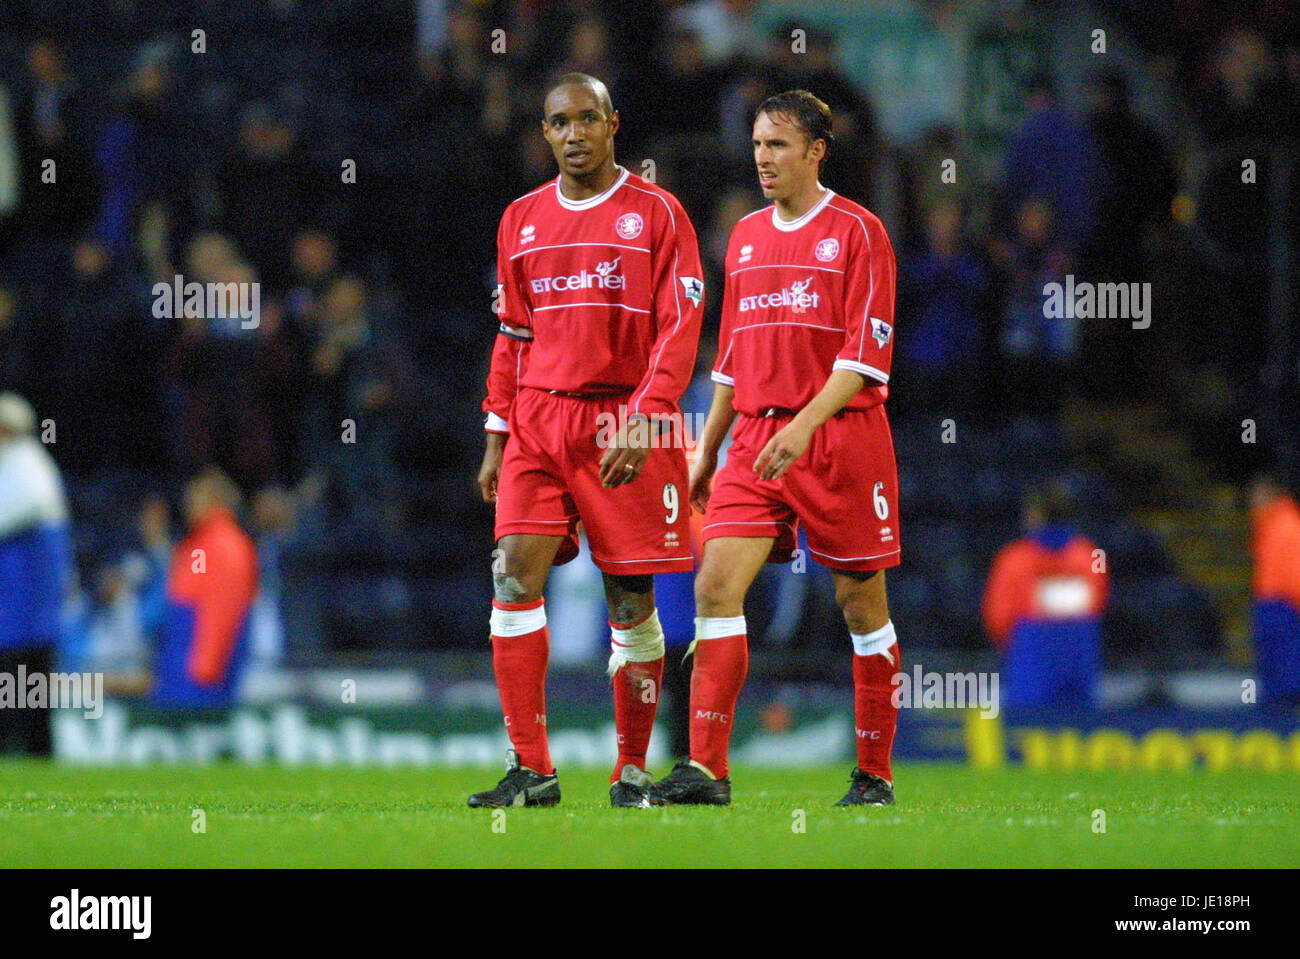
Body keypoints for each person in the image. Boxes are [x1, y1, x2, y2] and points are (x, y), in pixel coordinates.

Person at [647, 90, 903, 807]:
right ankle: (706, 769)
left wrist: (806, 425)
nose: (763, 157)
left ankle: (874, 772)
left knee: (860, 605)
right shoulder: (747, 236)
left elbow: (866, 358)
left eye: (779, 145)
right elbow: (730, 358)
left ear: (816, 151)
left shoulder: (859, 232)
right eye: (758, 144)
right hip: (757, 438)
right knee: (714, 587)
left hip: (839, 436)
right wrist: (708, 450)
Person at [473, 74, 704, 808]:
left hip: (623, 418)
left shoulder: (659, 213)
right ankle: (531, 767)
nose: (573, 134)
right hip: (540, 419)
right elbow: (513, 334)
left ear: (613, 124)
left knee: (631, 597)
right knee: (512, 574)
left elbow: (680, 327)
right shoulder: (520, 219)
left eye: (586, 119)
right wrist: (495, 432)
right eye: (558, 123)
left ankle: (631, 768)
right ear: (544, 134)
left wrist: (648, 412)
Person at [982, 481, 1109, 710]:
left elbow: (998, 619)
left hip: (1030, 668)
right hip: (1080, 662)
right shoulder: (1091, 555)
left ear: (1035, 515)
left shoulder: (1012, 559)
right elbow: (1098, 604)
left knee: (1029, 738)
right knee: (1077, 736)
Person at [148, 467, 258, 709]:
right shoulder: (201, 544)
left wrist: (206, 668)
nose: (187, 504)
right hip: (179, 662)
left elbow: (222, 609)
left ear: (213, 500)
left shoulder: (228, 545)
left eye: (194, 497)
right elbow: (189, 587)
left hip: (199, 674)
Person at [0, 393, 73, 755]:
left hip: (25, 618)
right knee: (21, 697)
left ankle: (35, 755)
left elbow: (20, 509)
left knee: (26, 699)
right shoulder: (21, 465)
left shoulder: (27, 464)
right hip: (21, 616)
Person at [1248, 474, 1300, 706]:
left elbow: (1295, 574)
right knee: (1273, 675)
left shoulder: (1286, 525)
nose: (1252, 500)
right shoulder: (1269, 523)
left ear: (1272, 493)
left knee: (1286, 681)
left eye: (1257, 494)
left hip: (1284, 608)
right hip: (1271, 606)